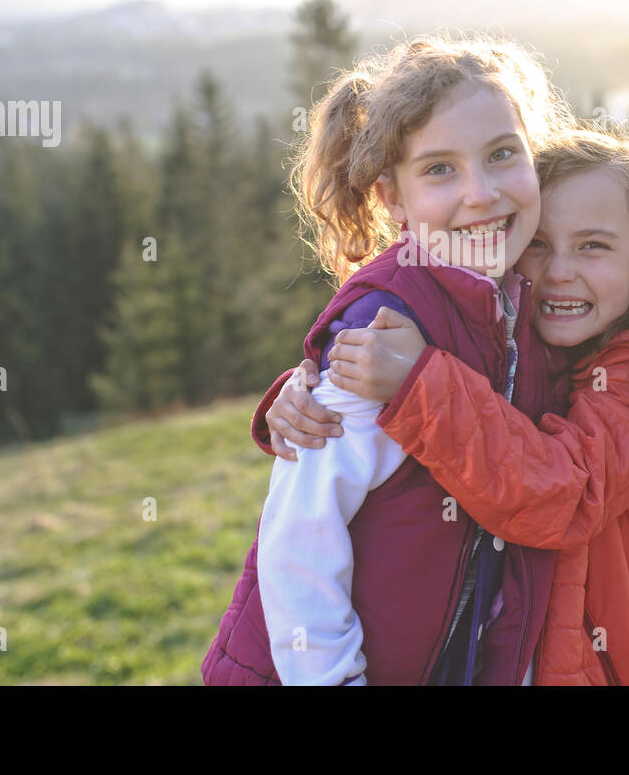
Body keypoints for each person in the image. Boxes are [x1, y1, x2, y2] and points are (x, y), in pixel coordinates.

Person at [263, 128, 629, 684]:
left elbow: (563, 491)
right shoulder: (544, 345)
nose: (558, 270)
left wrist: (416, 383)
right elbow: (490, 400)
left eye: (593, 246)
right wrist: (316, 387)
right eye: (538, 244)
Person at [201, 33, 581, 685]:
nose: (482, 193)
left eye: (502, 155)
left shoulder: (533, 305)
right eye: (440, 169)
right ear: (391, 200)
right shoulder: (383, 331)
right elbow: (299, 541)